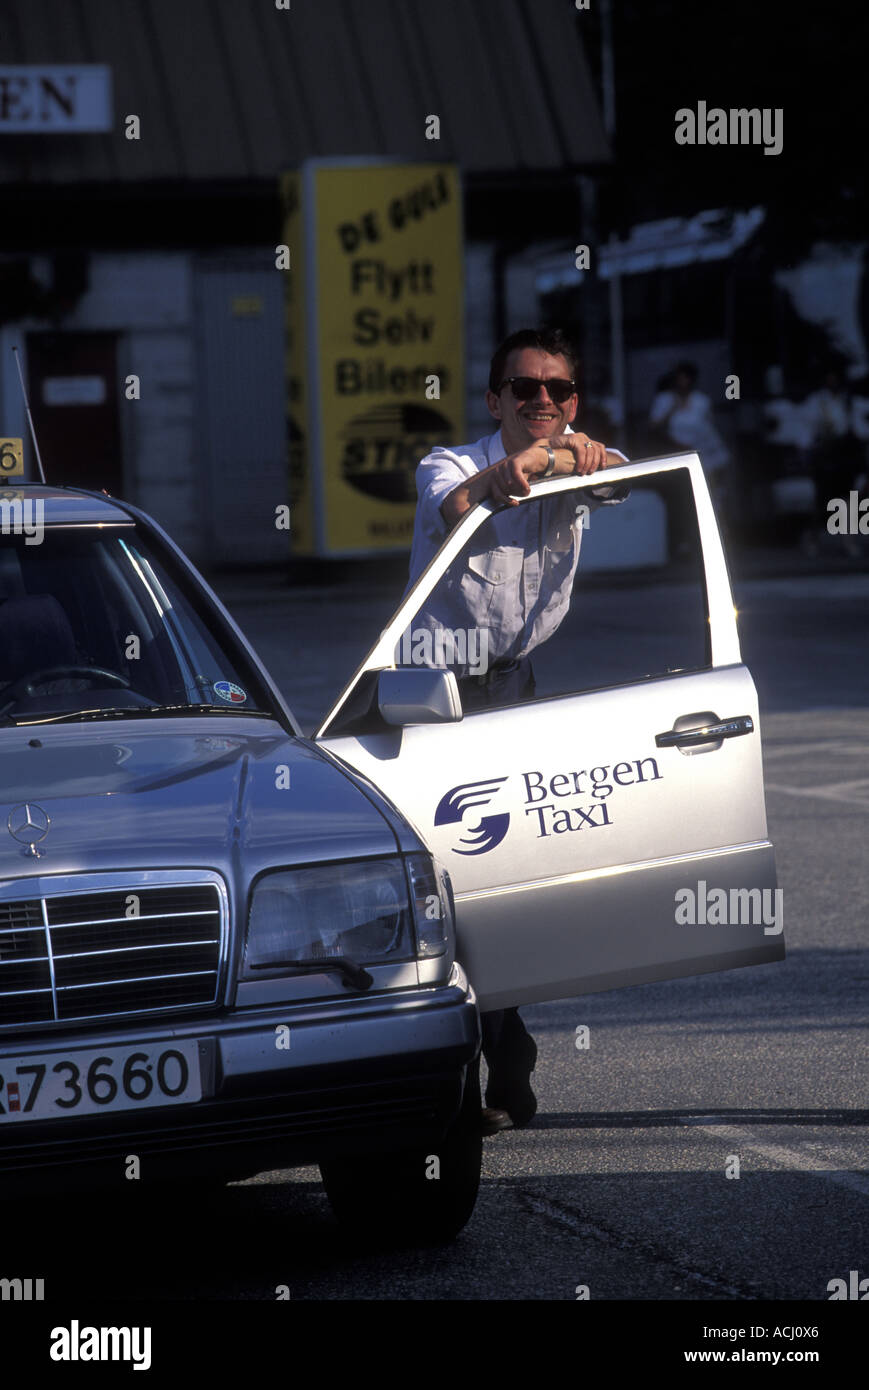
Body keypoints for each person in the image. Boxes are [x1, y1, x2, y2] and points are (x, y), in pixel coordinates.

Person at [407, 327, 627, 1134]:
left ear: (576, 401)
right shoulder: (450, 462)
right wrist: (541, 461)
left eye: (558, 391)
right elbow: (462, 504)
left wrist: (572, 457)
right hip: (427, 688)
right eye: (524, 388)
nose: (542, 401)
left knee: (507, 881)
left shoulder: (580, 455)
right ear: (493, 398)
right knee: (436, 884)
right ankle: (486, 1058)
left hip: (514, 686)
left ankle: (501, 1055)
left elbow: (626, 479)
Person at [649, 362, 731, 515]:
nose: (682, 382)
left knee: (713, 498)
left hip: (706, 456)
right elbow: (654, 428)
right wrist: (672, 409)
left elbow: (707, 430)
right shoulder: (664, 400)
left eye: (686, 378)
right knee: (684, 501)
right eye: (679, 377)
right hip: (676, 457)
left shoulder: (702, 401)